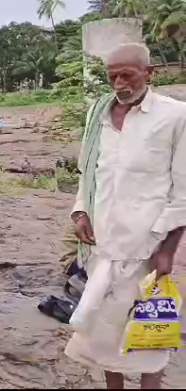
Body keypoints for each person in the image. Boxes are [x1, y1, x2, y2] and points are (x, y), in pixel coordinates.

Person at [66, 43, 186, 390]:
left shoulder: (175, 116)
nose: (119, 83)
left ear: (149, 74)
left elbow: (182, 191)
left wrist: (167, 248)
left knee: (151, 331)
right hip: (103, 244)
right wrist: (80, 212)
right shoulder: (98, 114)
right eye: (112, 76)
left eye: (127, 75)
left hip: (145, 246)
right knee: (103, 332)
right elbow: (89, 173)